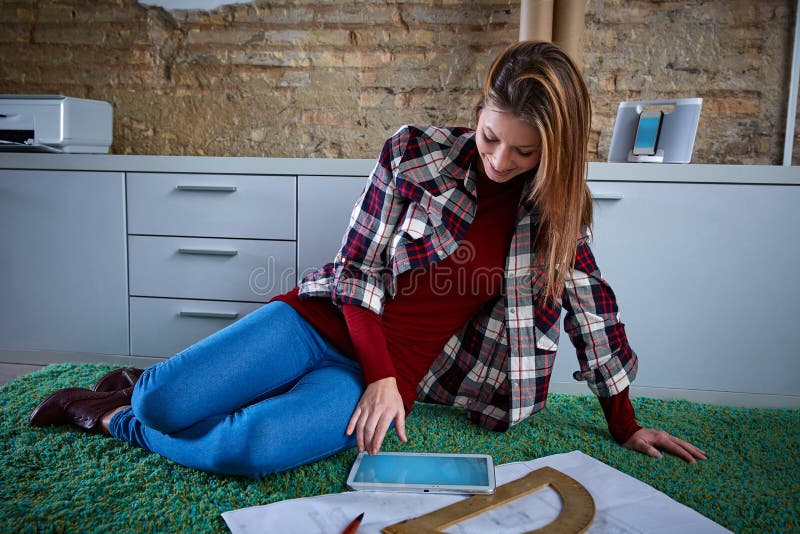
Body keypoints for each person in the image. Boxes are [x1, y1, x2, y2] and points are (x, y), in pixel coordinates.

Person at [28, 41, 706, 478]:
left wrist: (626, 421)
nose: (500, 162)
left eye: (523, 153)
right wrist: (379, 373)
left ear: (554, 152)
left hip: (381, 377)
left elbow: (591, 308)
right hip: (319, 322)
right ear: (480, 110)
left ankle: (111, 417)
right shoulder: (412, 153)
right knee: (168, 401)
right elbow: (357, 272)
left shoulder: (558, 213)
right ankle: (137, 390)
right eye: (491, 136)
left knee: (254, 451)